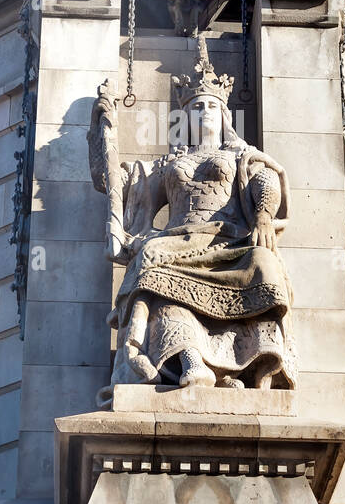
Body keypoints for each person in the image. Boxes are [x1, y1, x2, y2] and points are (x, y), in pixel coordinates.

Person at [88, 38, 297, 403]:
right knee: (153, 267)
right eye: (196, 107)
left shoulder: (239, 155)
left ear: (223, 115)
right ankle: (191, 362)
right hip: (180, 241)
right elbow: (117, 184)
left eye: (210, 107)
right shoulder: (170, 163)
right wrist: (102, 133)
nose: (202, 113)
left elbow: (265, 178)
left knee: (264, 263)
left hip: (228, 240)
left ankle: (246, 367)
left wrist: (263, 214)